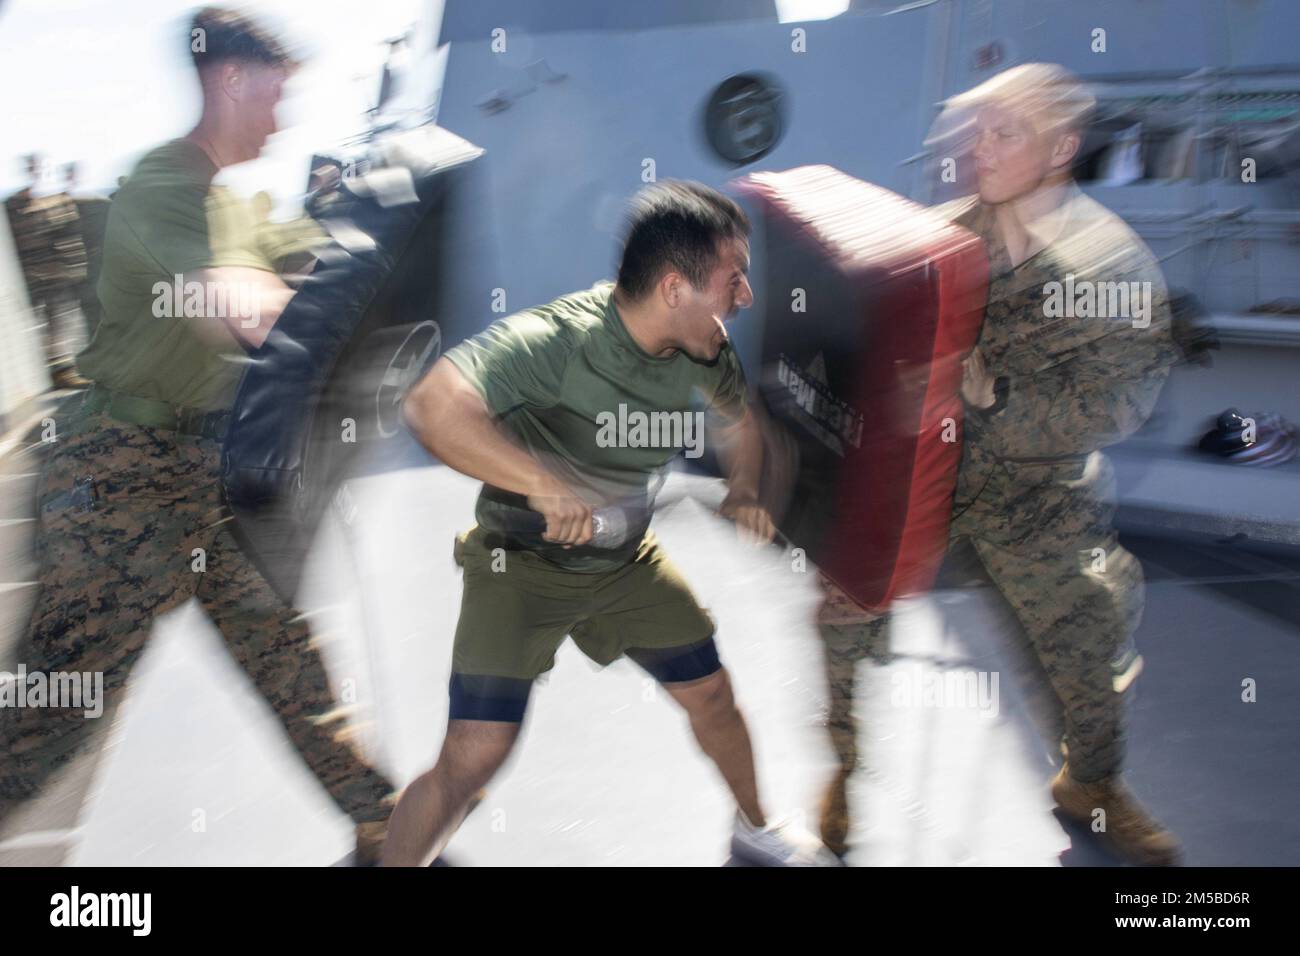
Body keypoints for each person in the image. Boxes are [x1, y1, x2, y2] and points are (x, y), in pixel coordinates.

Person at [0, 6, 396, 865]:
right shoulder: (159, 187)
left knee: (283, 654)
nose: (283, 118)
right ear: (227, 82)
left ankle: (385, 827)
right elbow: (230, 311)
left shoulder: (232, 202)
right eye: (274, 96)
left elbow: (310, 254)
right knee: (48, 714)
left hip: (202, 474)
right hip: (118, 485)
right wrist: (314, 310)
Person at [388, 181, 836, 866]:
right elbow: (431, 407)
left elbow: (738, 422)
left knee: (712, 694)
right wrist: (542, 483)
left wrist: (745, 485)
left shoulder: (705, 347)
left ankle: (755, 829)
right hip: (521, 567)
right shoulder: (555, 341)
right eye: (732, 278)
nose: (744, 296)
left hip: (626, 565)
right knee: (474, 758)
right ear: (672, 288)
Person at [818, 63, 1185, 865]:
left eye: (1004, 131)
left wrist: (991, 394)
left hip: (1036, 492)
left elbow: (1117, 406)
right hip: (930, 474)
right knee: (844, 602)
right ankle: (844, 768)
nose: (977, 147)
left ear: (1062, 146)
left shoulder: (1107, 270)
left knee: (1086, 642)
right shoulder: (940, 239)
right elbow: (879, 348)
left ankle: (1091, 783)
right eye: (974, 128)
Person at [4, 153, 90, 390]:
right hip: (29, 277)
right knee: (30, 327)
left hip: (52, 275)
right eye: (33, 168)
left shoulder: (49, 202)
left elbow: (62, 235)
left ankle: (60, 373)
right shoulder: (12, 205)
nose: (37, 172)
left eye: (39, 168)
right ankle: (41, 375)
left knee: (58, 325)